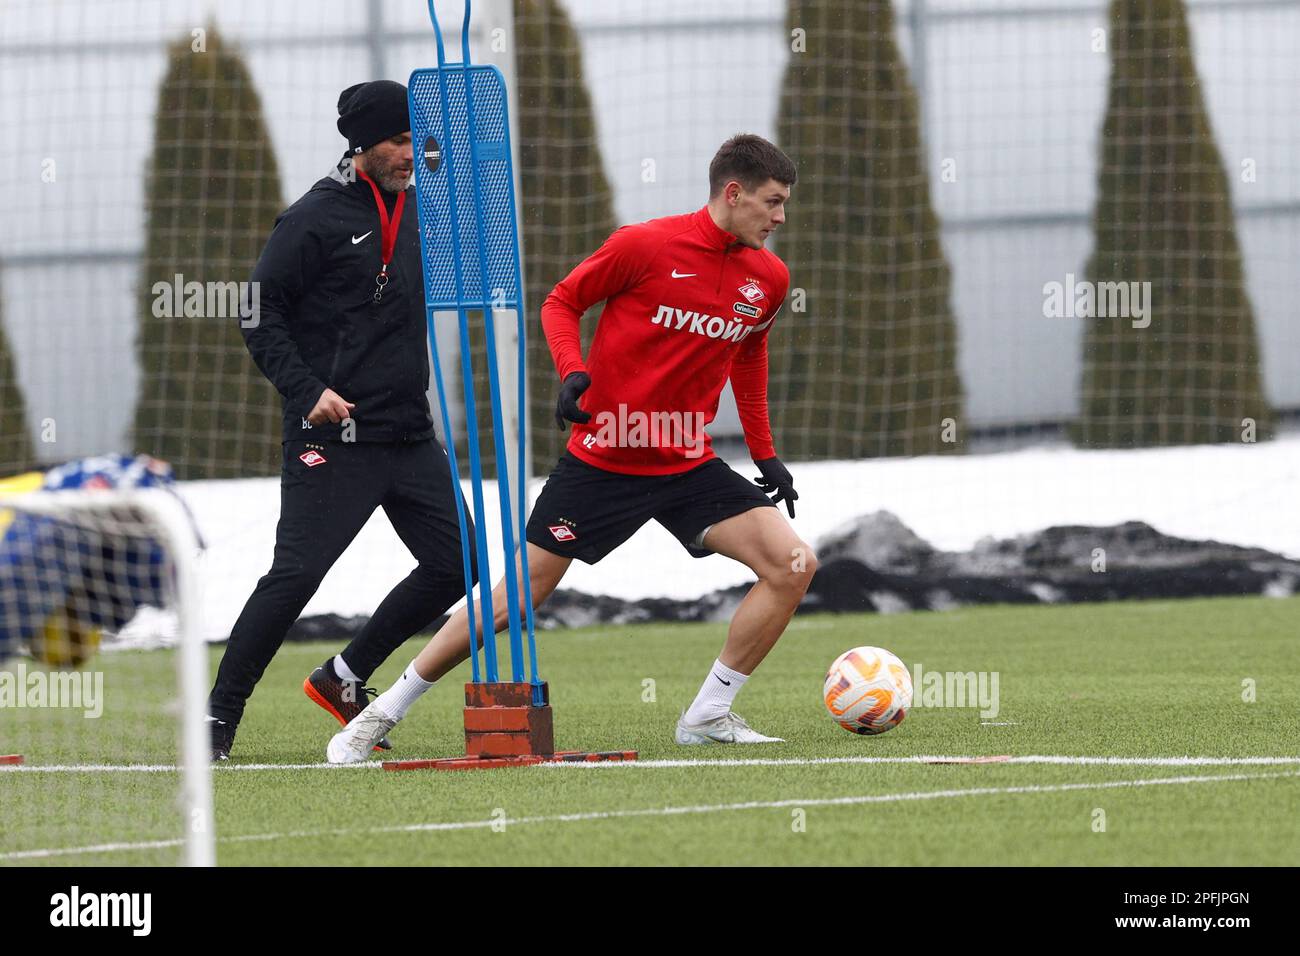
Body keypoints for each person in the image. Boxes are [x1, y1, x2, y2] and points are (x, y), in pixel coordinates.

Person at [327, 133, 814, 764]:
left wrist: (764, 452)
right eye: (772, 203)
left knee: (793, 564)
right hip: (604, 458)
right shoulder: (644, 244)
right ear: (733, 192)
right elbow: (563, 301)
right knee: (516, 598)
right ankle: (379, 712)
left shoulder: (769, 277)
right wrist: (573, 371)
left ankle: (709, 713)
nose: (780, 218)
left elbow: (750, 357)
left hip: (686, 460)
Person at [207, 80, 476, 760]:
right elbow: (256, 313)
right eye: (398, 141)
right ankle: (216, 718)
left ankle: (345, 676)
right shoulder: (314, 218)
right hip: (333, 436)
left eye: (419, 140)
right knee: (295, 578)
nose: (411, 153)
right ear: (360, 148)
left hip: (407, 435)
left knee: (457, 563)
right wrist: (306, 391)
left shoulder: (419, 209)